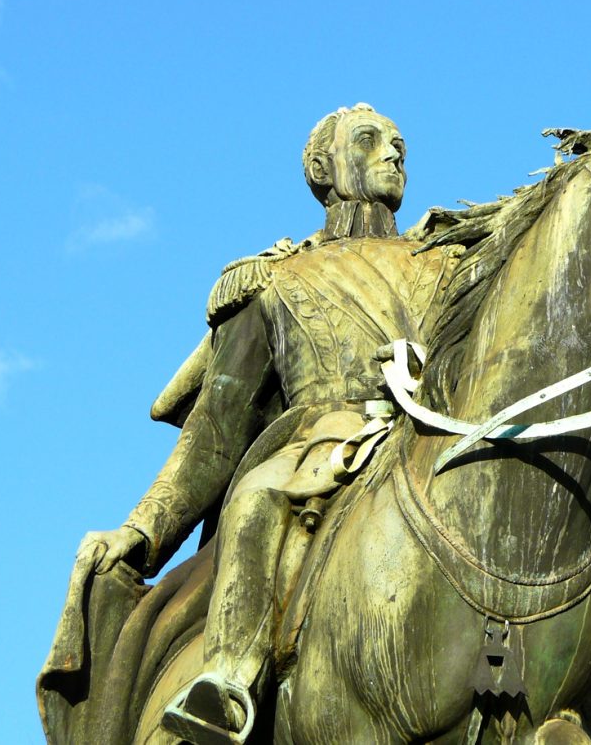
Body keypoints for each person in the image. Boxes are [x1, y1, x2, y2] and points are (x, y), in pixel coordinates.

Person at [77, 104, 451, 745]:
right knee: (257, 496)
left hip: (428, 435)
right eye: (370, 142)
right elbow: (214, 435)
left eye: (400, 145)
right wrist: (142, 530)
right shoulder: (274, 281)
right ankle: (228, 680)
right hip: (316, 446)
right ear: (321, 166)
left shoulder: (447, 261)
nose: (393, 154)